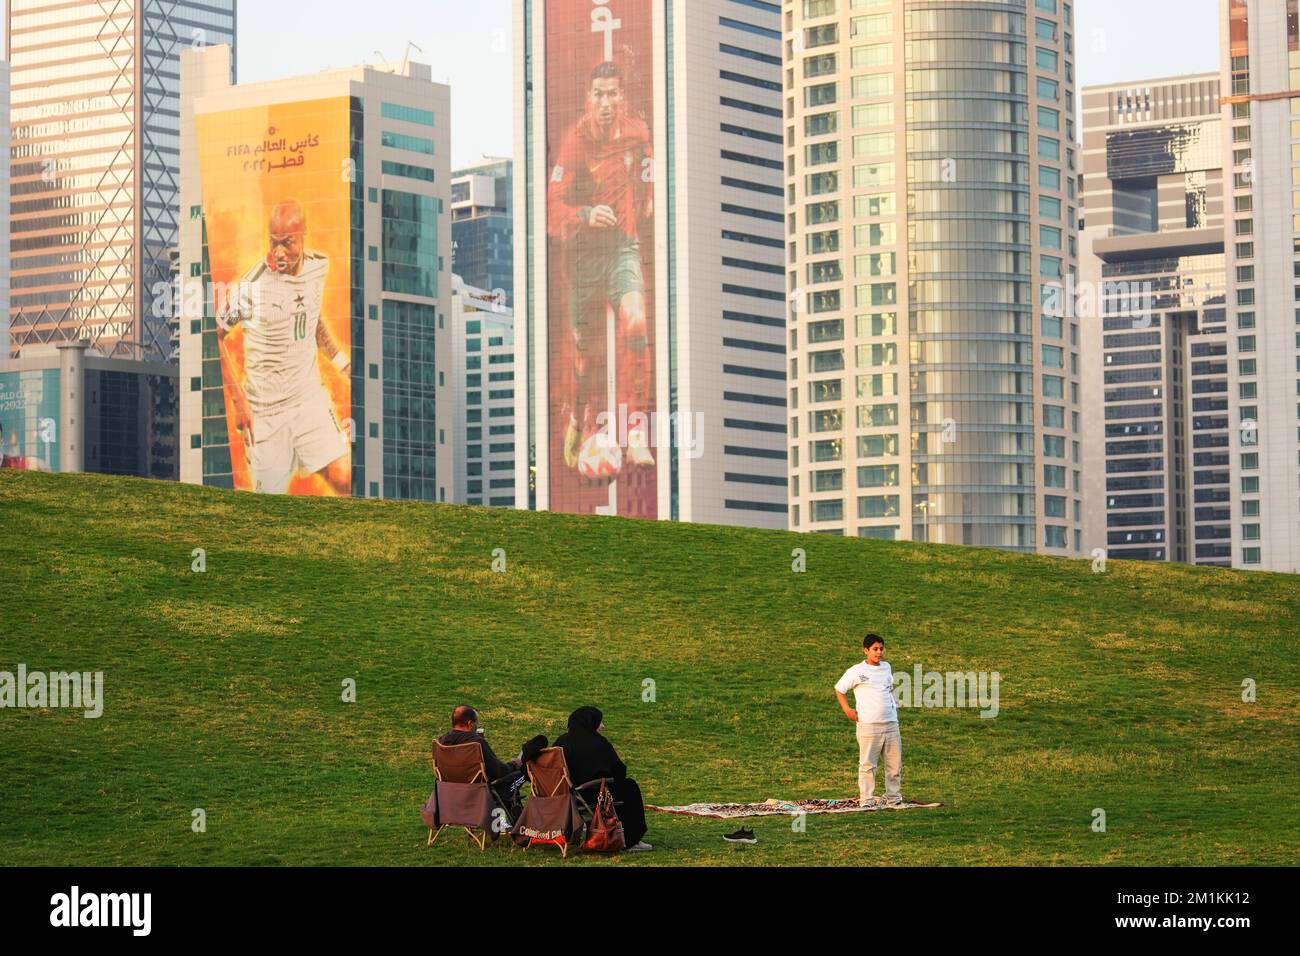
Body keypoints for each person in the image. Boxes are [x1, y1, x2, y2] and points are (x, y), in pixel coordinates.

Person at [547, 60, 655, 481]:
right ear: (587, 99)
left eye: (613, 93)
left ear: (621, 98)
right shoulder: (574, 144)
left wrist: (645, 201)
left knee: (636, 325)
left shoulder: (637, 134)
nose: (607, 102)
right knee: (584, 360)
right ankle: (578, 414)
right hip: (582, 260)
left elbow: (646, 173)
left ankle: (635, 430)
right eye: (599, 94)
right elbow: (552, 208)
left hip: (622, 250)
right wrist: (586, 212)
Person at [217, 200, 351, 496]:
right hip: (265, 413)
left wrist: (343, 364)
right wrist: (239, 401)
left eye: (287, 243)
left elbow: (312, 320)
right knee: (269, 508)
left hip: (308, 400)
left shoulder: (319, 267)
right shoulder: (250, 287)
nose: (278, 252)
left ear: (303, 235)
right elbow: (214, 336)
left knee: (344, 478)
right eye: (273, 243)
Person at [553, 706, 651, 851]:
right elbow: (619, 771)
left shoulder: (561, 741)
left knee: (622, 787)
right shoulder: (598, 742)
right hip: (592, 795)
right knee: (629, 787)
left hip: (564, 796)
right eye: (599, 722)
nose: (602, 726)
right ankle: (630, 839)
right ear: (590, 723)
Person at [835, 633, 904, 808]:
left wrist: (894, 702)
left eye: (881, 649)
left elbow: (887, 688)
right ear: (866, 650)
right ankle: (866, 800)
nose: (879, 652)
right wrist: (847, 710)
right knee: (867, 765)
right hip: (868, 725)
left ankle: (894, 798)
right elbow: (839, 688)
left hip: (891, 724)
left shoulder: (887, 667)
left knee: (894, 765)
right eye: (875, 649)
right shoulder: (857, 671)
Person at [437, 705, 527, 818]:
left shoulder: (442, 742)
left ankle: (506, 821)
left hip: (449, 795)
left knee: (507, 786)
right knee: (520, 774)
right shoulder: (476, 743)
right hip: (479, 795)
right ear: (470, 724)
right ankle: (504, 821)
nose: (476, 726)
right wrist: (514, 764)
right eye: (476, 723)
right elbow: (499, 771)